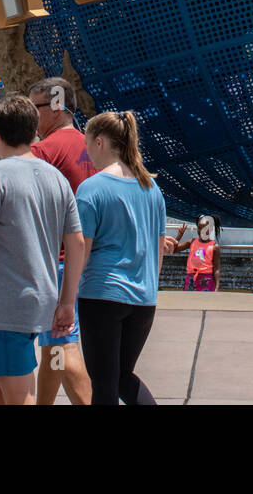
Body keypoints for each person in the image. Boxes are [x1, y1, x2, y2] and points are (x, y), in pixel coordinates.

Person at [0, 94, 83, 405]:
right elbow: (76, 242)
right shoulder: (56, 179)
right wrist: (67, 300)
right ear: (35, 130)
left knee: (17, 393)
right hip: (46, 296)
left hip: (7, 305)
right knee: (0, 388)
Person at [75, 111, 173, 405]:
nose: (87, 151)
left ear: (101, 142)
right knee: (121, 377)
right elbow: (157, 248)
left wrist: (66, 298)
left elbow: (82, 251)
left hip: (102, 295)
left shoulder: (91, 189)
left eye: (88, 144)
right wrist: (150, 290)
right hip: (143, 299)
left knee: (104, 382)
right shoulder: (150, 188)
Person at [26, 76, 97, 405]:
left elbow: (8, 192)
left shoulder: (43, 151)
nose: (30, 116)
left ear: (56, 106)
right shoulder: (96, 149)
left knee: (63, 345)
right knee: (54, 347)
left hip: (56, 263)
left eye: (34, 108)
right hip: (90, 264)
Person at [172, 216, 221, 292]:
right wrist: (179, 236)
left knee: (204, 302)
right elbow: (174, 250)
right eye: (199, 228)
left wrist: (217, 287)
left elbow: (216, 269)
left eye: (204, 228)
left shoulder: (214, 247)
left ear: (210, 229)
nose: (201, 231)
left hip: (206, 280)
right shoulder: (191, 242)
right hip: (191, 279)